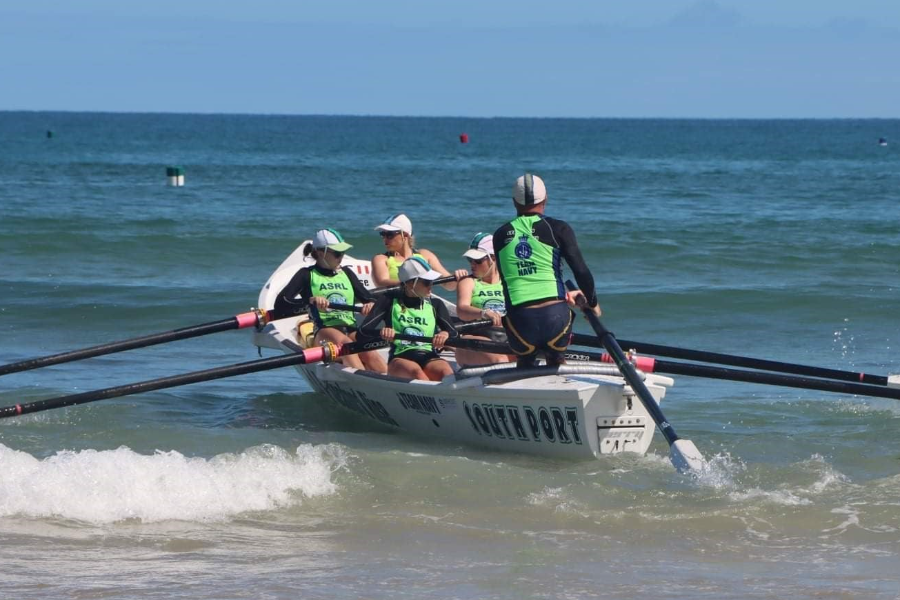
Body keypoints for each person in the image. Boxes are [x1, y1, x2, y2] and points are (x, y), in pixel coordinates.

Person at [493, 173, 601, 369]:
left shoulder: (500, 235)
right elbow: (581, 272)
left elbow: (508, 281)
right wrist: (592, 303)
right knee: (555, 355)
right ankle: (557, 363)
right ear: (546, 199)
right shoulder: (559, 228)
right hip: (556, 321)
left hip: (519, 325)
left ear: (514, 203)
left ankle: (524, 368)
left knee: (525, 358)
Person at [273, 229, 387, 373]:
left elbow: (368, 298)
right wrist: (310, 302)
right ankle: (363, 379)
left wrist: (370, 305)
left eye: (343, 253)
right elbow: (281, 304)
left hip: (350, 329)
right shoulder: (306, 275)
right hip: (323, 330)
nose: (341, 257)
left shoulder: (347, 273)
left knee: (369, 351)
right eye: (337, 253)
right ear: (321, 253)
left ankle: (391, 383)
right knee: (346, 344)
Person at [358, 256, 458, 381]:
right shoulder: (388, 300)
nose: (431, 286)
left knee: (447, 373)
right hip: (400, 358)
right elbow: (362, 332)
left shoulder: (436, 304)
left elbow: (454, 334)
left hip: (429, 356)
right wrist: (382, 333)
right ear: (411, 283)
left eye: (431, 281)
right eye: (427, 282)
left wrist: (445, 333)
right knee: (417, 373)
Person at [454, 233, 517, 366]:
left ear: (493, 258)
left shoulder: (510, 282)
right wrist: (483, 313)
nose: (472, 265)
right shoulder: (468, 282)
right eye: (470, 260)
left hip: (506, 336)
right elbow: (462, 310)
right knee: (501, 362)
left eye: (477, 260)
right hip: (476, 337)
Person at [371, 213, 466, 290]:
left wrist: (458, 277)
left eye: (389, 235)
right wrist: (411, 284)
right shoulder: (381, 259)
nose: (385, 239)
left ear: (406, 235)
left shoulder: (425, 255)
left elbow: (449, 285)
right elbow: (381, 282)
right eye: (382, 234)